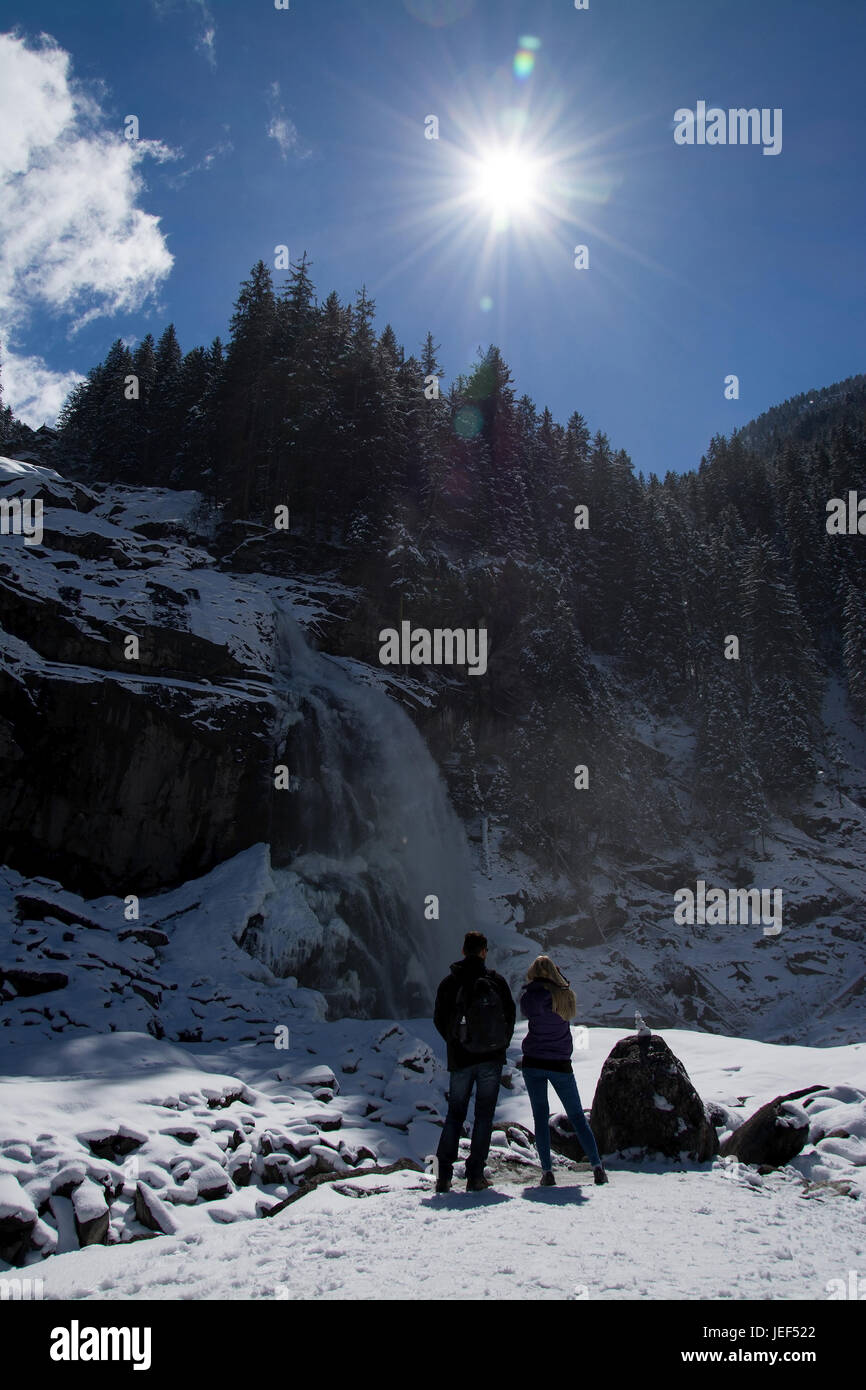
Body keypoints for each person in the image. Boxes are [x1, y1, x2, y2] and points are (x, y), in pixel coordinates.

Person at [433, 930, 516, 1193]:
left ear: (462, 951)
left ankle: (443, 1175)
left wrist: (455, 1041)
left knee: (455, 1115)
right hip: (491, 1059)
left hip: (460, 1060)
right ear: (484, 952)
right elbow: (509, 1017)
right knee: (484, 1117)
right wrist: (498, 1045)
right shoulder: (496, 981)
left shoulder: (449, 983)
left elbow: (439, 1018)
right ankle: (475, 1176)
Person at [520, 955, 608, 1187]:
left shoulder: (532, 997)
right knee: (578, 1116)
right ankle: (597, 1166)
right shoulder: (565, 996)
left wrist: (536, 985)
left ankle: (547, 1171)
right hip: (560, 1062)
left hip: (534, 1062)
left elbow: (526, 1007)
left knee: (540, 1116)